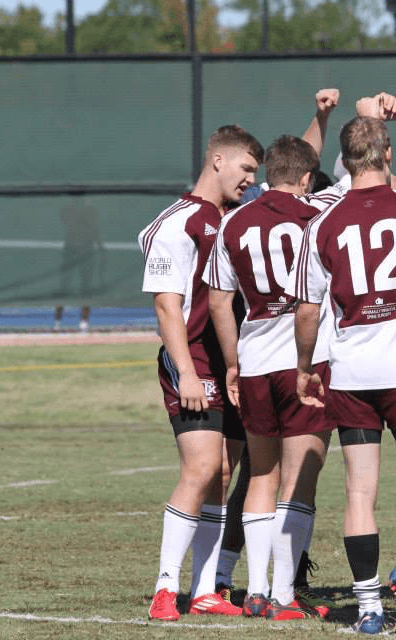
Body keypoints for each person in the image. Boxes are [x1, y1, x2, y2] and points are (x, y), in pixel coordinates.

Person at [293, 115, 396, 634]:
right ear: (388, 153)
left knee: (359, 492)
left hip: (352, 368)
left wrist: (304, 367)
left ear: (342, 158)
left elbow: (307, 310)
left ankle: (368, 608)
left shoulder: (322, 222)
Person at [207, 134, 337, 621]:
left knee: (261, 473)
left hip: (256, 356)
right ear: (306, 179)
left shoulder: (234, 221)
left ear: (267, 175)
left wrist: (234, 361)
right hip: (308, 358)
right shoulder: (317, 216)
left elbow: (220, 301)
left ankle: (255, 589)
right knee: (300, 480)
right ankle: (283, 593)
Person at [140, 124, 264, 621]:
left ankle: (207, 588)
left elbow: (295, 172)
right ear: (218, 160)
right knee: (201, 468)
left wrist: (320, 119)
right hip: (191, 361)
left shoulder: (233, 218)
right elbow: (168, 307)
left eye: (257, 172)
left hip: (230, 365)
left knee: (224, 472)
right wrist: (188, 374)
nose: (252, 180)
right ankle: (165, 589)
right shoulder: (179, 221)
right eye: (246, 169)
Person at [54, 193, 102, 332]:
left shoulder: (91, 211)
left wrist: (99, 245)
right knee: (64, 286)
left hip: (87, 252)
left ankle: (84, 322)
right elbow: (67, 220)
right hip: (70, 251)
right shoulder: (68, 210)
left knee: (86, 288)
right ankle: (57, 321)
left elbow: (94, 228)